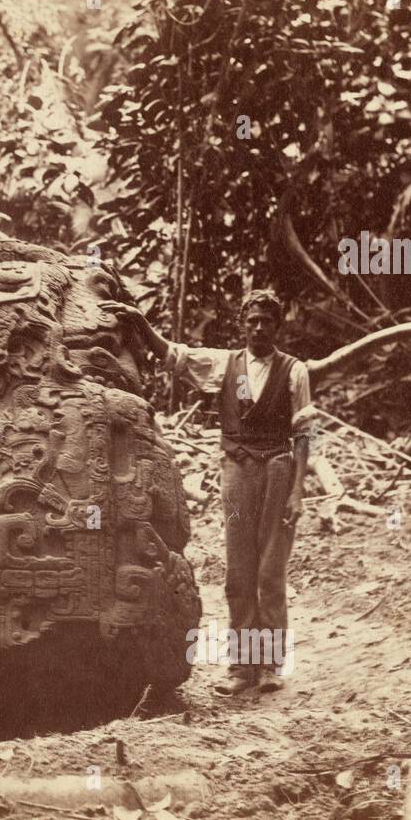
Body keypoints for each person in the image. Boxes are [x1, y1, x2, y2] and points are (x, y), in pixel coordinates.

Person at [103, 289, 312, 695]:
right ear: (242, 324)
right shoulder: (225, 365)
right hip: (237, 468)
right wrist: (140, 322)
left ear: (277, 326)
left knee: (269, 572)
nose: (258, 327)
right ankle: (240, 668)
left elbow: (304, 434)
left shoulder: (294, 371)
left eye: (266, 321)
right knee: (238, 572)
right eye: (251, 320)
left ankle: (269, 665)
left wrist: (298, 492)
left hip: (277, 468)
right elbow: (175, 357)